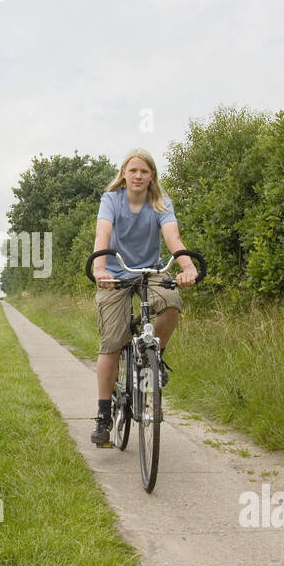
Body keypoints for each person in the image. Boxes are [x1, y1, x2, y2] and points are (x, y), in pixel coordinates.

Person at [90, 148, 198, 447]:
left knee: (172, 302)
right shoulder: (111, 200)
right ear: (124, 174)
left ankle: (154, 355)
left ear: (152, 177)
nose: (138, 176)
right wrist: (99, 268)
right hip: (115, 272)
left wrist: (188, 267)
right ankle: (103, 416)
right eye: (133, 171)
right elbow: (102, 234)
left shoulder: (161, 203)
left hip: (150, 270)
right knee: (112, 340)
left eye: (144, 172)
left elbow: (173, 239)